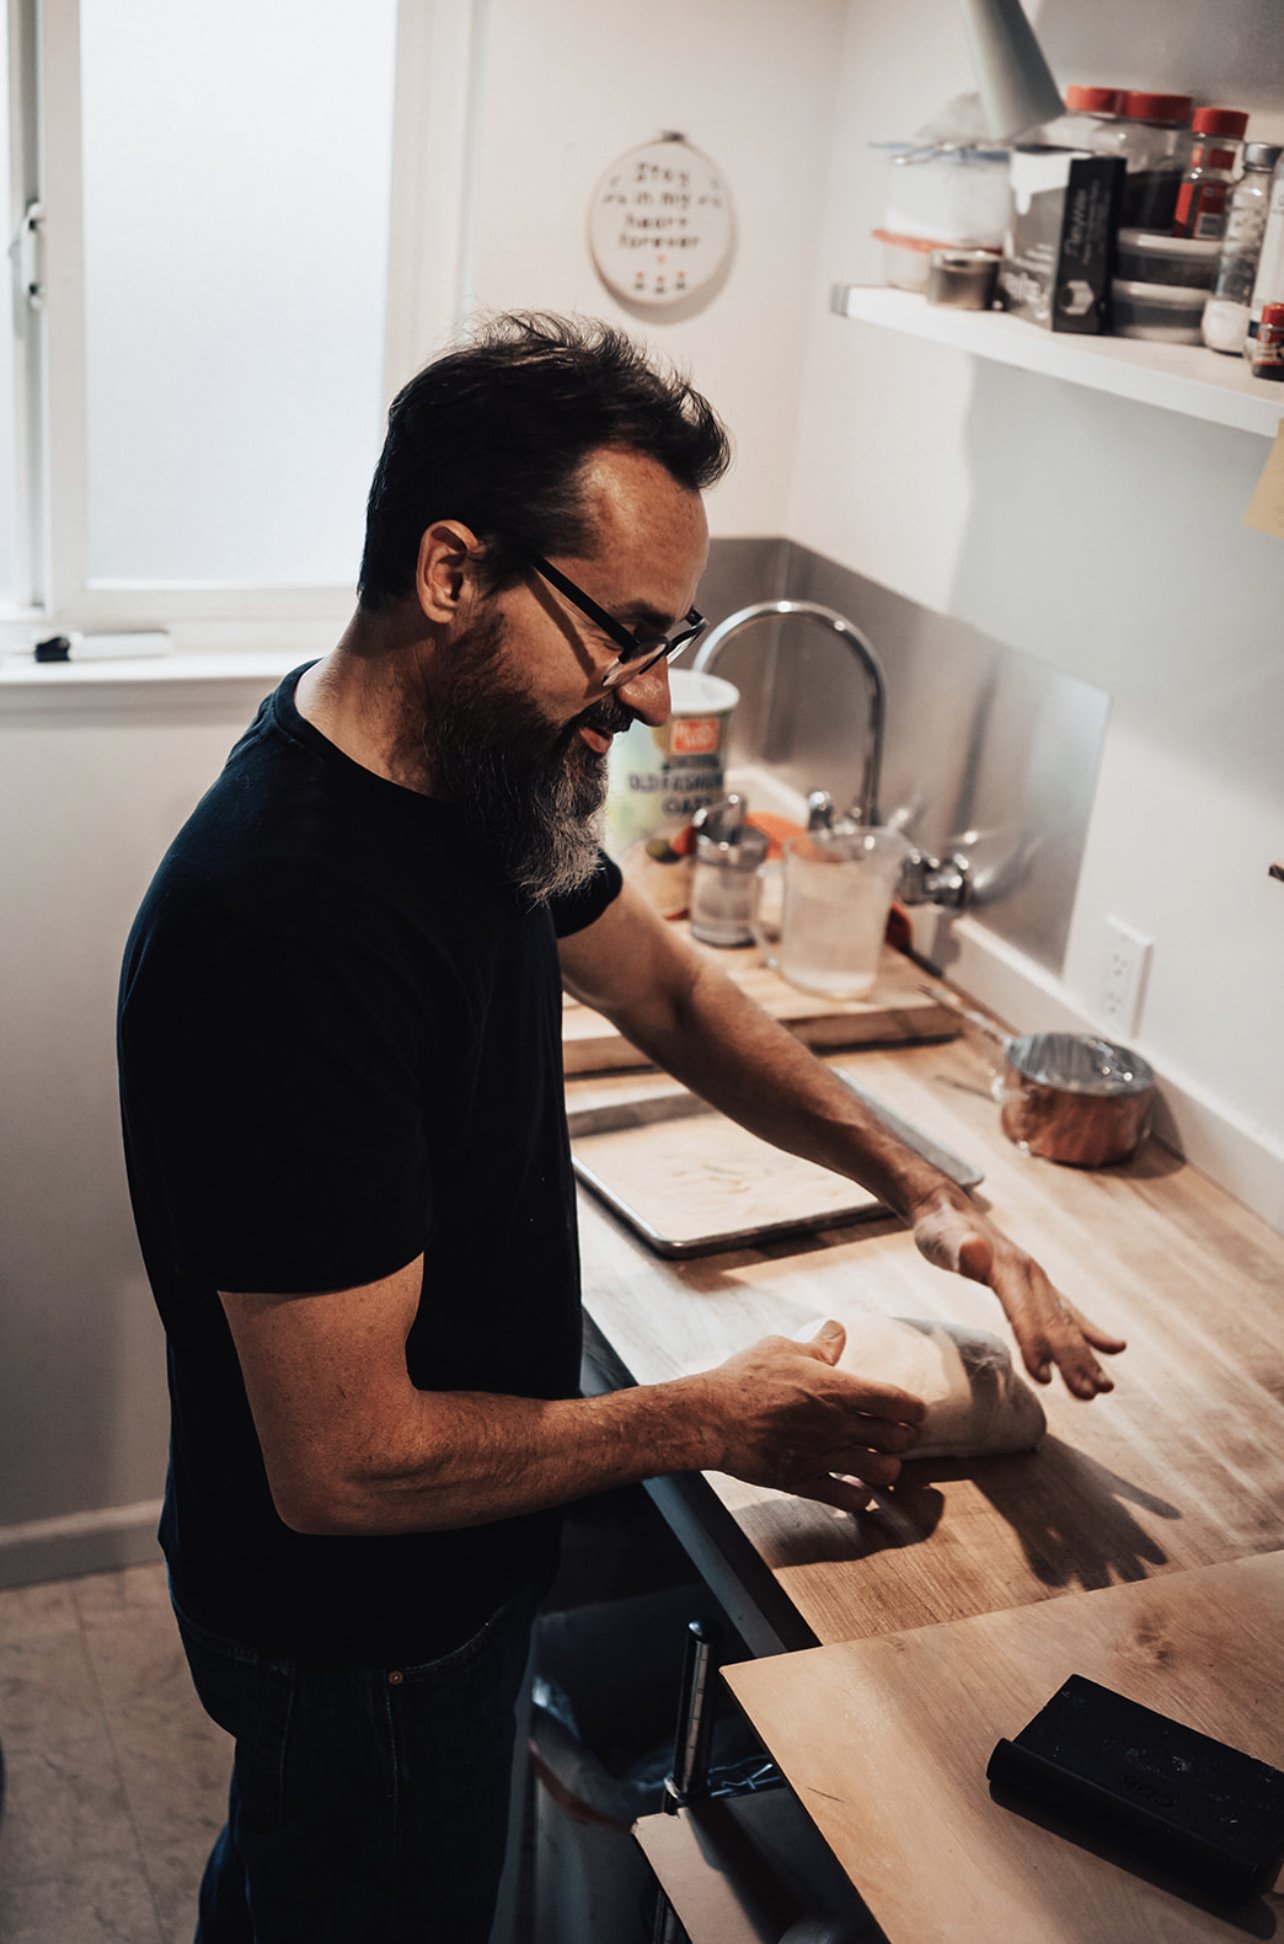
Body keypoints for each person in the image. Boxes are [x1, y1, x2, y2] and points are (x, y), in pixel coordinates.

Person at [117, 312, 1125, 1943]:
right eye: (626, 636)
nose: (651, 698)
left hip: (454, 1571)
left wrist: (931, 1189)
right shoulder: (286, 924)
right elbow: (346, 1466)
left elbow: (669, 996)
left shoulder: (469, 777)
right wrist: (709, 1417)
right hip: (360, 1623)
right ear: (453, 573)